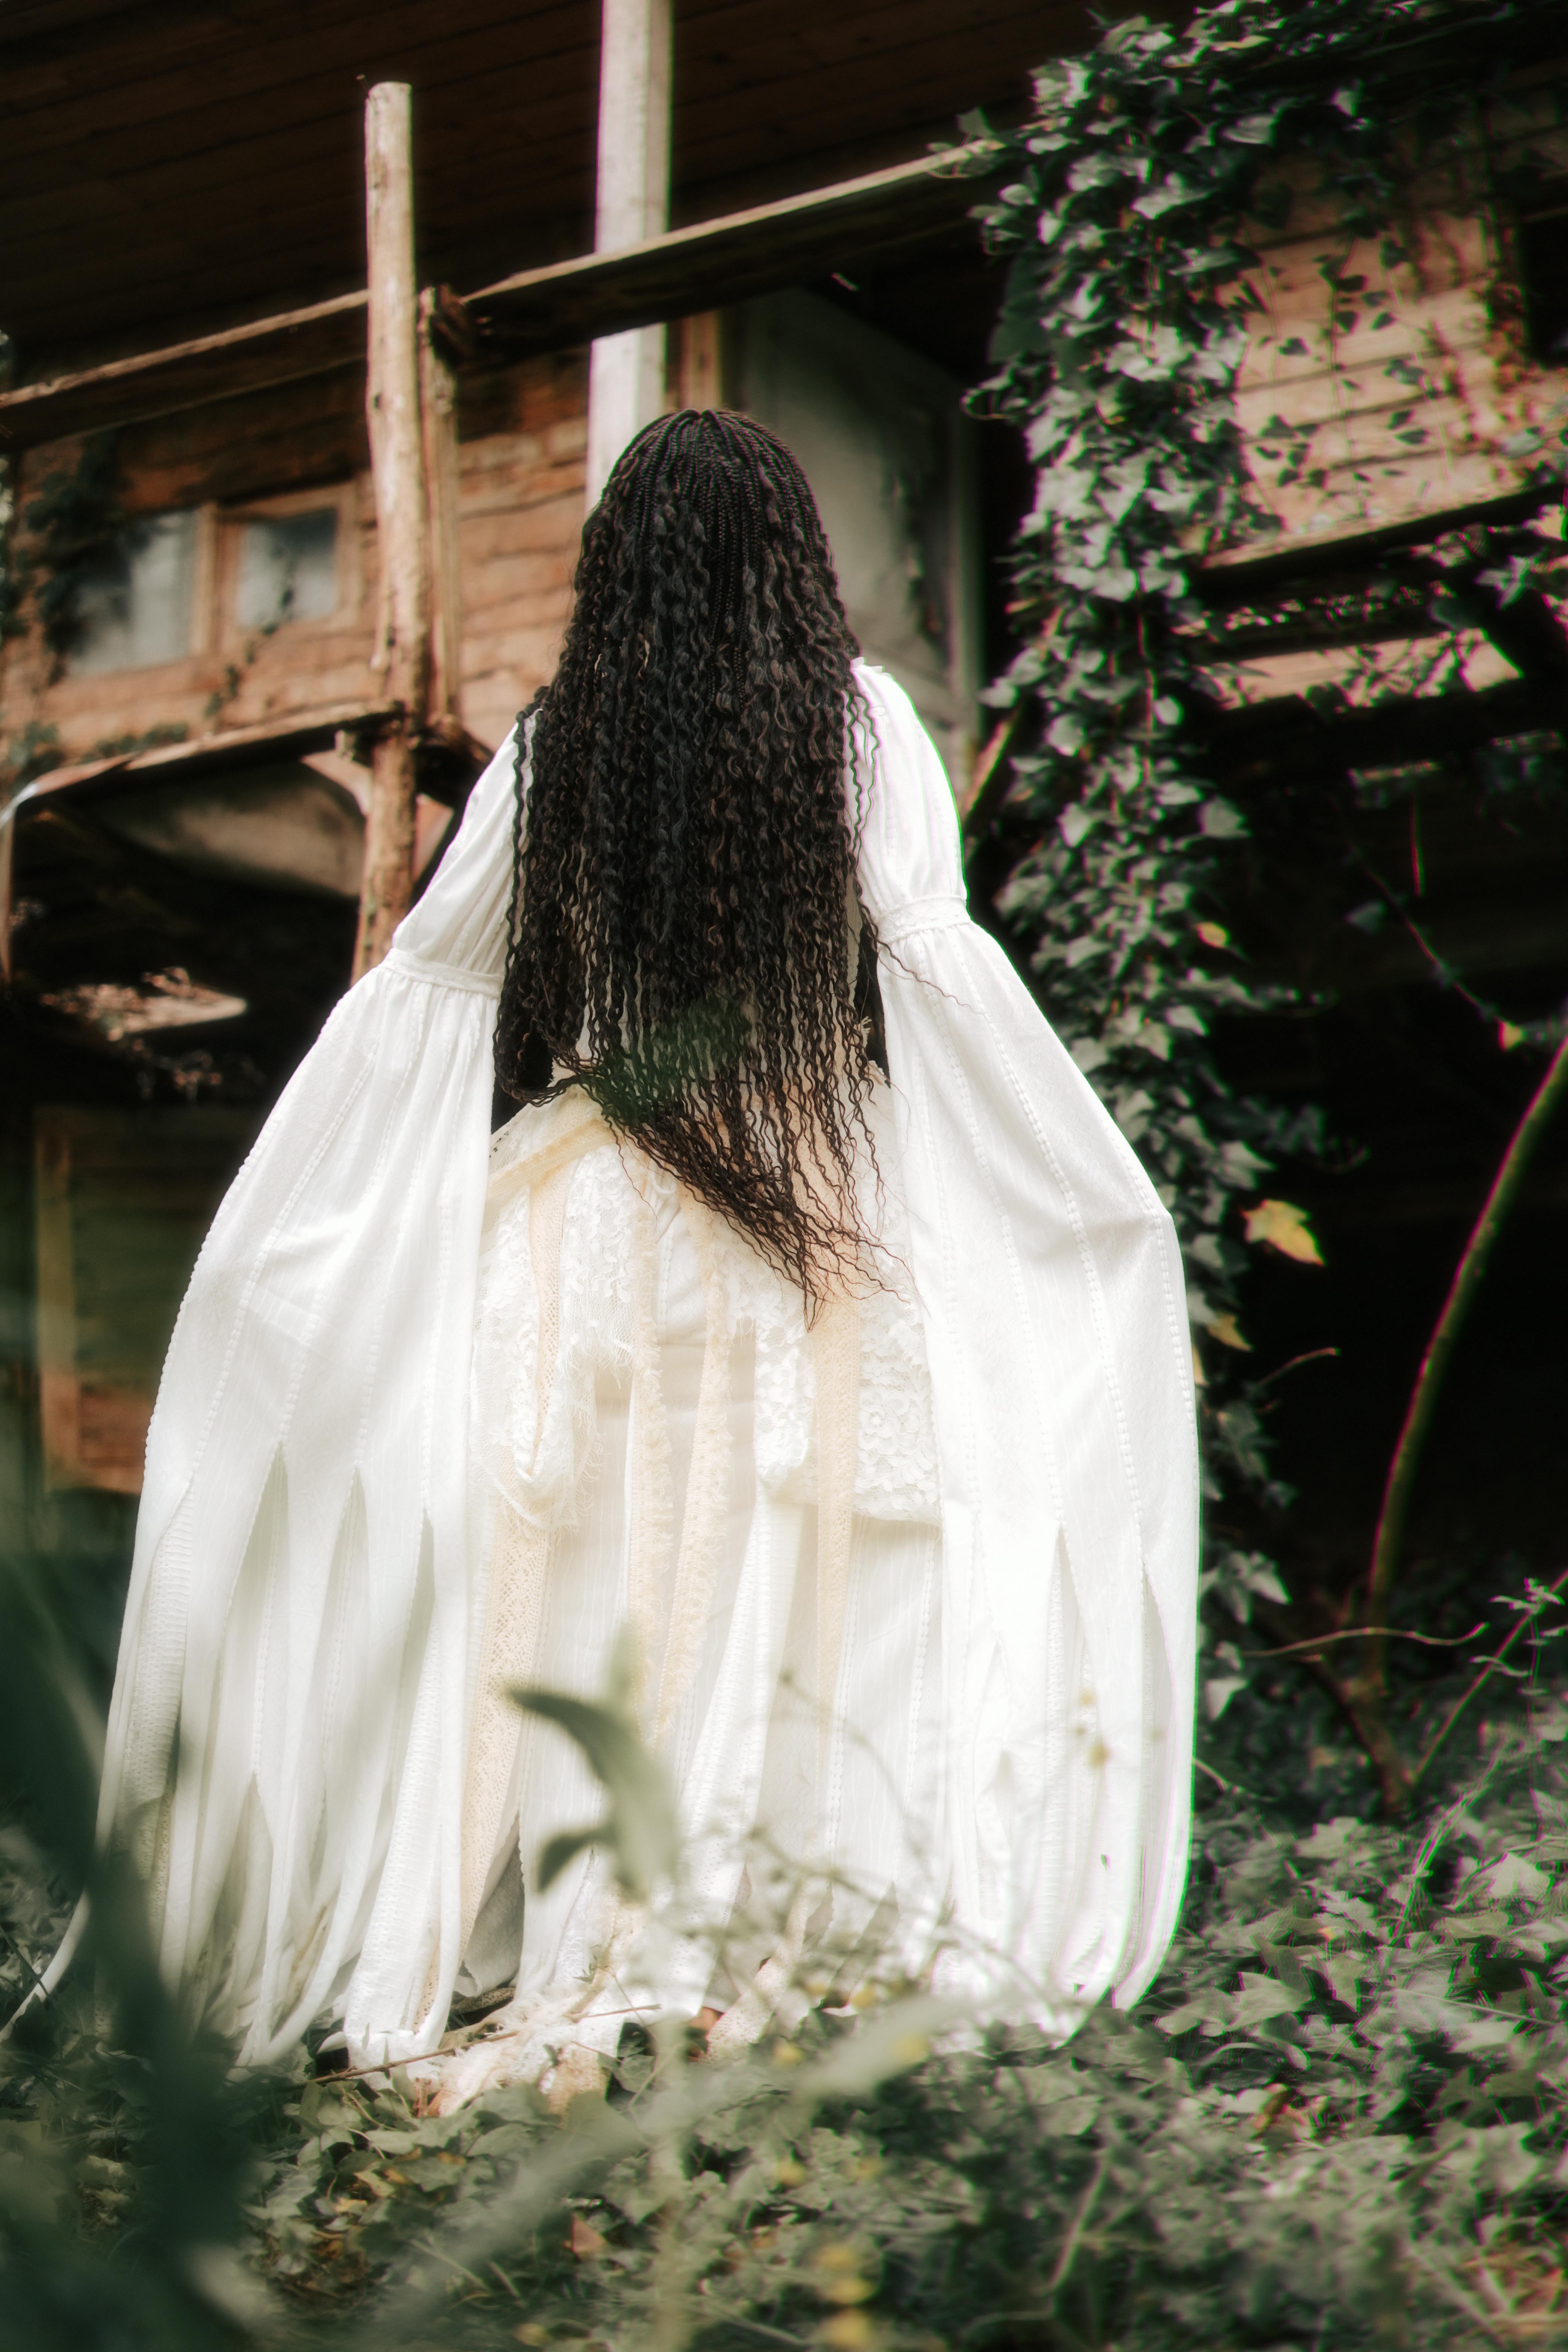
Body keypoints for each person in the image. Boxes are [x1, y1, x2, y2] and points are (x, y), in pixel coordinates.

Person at [41, 410, 1197, 2097]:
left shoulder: (554, 746)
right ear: (795, 563)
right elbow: (934, 970)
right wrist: (1070, 1190)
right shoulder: (861, 726)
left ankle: (576, 1917)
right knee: (788, 1563)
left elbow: (429, 994)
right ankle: (765, 1917)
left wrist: (302, 1217)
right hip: (806, 1194)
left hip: (587, 1206)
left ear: (616, 571)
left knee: (587, 1578)